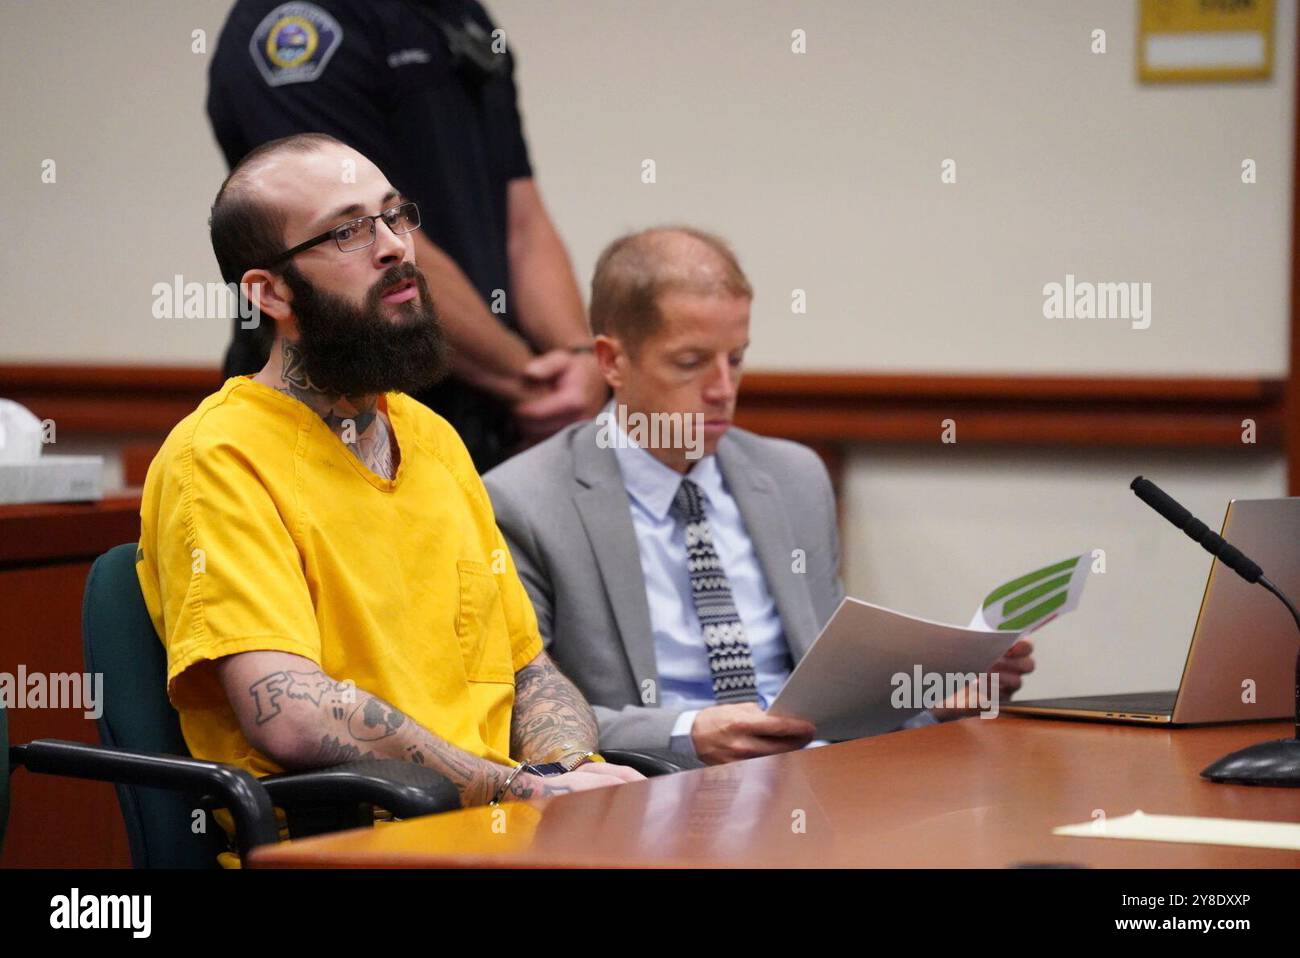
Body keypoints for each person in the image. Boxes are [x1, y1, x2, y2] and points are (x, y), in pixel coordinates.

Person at [136, 134, 642, 832]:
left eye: (395, 215)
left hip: (507, 831)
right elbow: (288, 711)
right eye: (348, 231)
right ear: (269, 291)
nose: (394, 247)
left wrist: (568, 771)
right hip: (355, 845)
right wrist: (511, 788)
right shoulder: (218, 456)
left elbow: (529, 671)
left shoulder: (430, 437)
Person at [483, 227, 1036, 764]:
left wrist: (923, 697)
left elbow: (833, 694)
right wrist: (683, 732)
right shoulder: (525, 502)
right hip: (649, 792)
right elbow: (514, 716)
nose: (723, 390)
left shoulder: (794, 478)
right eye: (691, 363)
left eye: (737, 359)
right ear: (612, 361)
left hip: (816, 779)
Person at [207, 0, 605, 471]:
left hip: (479, 415)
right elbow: (359, 238)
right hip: (337, 400)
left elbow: (523, 220)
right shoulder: (292, 24)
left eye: (399, 217)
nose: (395, 240)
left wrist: (579, 359)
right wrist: (531, 383)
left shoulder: (460, 16)